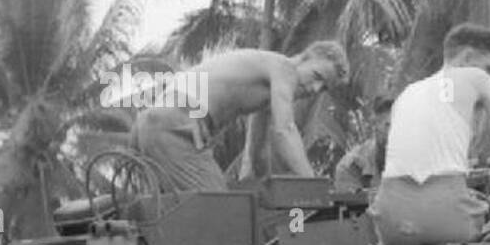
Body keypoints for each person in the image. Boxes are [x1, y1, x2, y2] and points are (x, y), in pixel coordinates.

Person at [370, 24, 490, 245]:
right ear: (467, 57)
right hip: (444, 220)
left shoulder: (408, 93)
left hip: (391, 228)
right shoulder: (476, 77)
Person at [128, 42, 349, 194]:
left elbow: (258, 153)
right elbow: (285, 130)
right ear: (303, 58)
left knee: (165, 215)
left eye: (323, 88)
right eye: (317, 76)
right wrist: (314, 188)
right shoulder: (284, 68)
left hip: (151, 124)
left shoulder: (267, 91)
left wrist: (260, 187)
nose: (314, 88)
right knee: (224, 215)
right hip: (176, 125)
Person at [333, 93, 394, 193]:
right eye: (388, 126)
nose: (394, 133)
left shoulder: (420, 164)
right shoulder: (352, 166)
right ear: (375, 125)